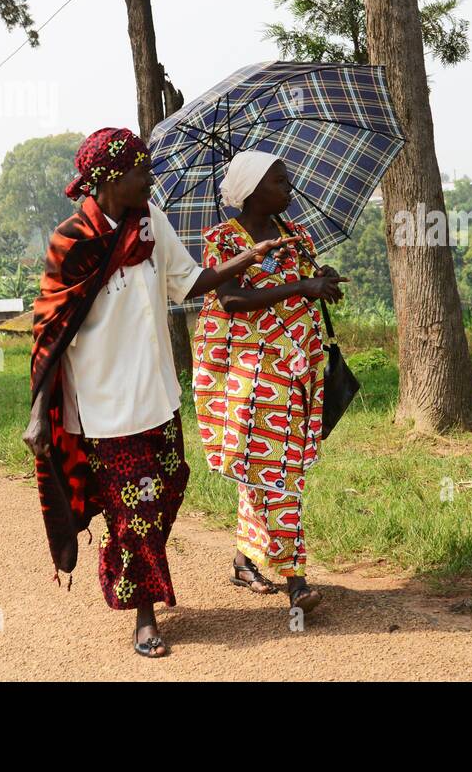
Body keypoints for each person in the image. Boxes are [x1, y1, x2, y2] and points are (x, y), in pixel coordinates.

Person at [23, 127, 296, 658]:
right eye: (141, 171)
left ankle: (122, 556)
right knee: (137, 509)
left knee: (169, 487)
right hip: (104, 407)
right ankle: (145, 617)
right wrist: (39, 413)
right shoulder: (72, 241)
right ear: (109, 180)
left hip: (159, 394)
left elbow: (188, 283)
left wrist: (248, 257)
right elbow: (50, 335)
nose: (151, 178)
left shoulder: (152, 222)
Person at [192, 151, 346, 615]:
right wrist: (300, 289)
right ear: (254, 190)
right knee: (280, 472)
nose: (290, 188)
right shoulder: (223, 239)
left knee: (264, 468)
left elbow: (306, 280)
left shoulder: (296, 235)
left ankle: (243, 560)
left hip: (298, 368)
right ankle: (297, 581)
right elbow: (233, 298)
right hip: (249, 373)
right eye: (281, 181)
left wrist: (321, 279)